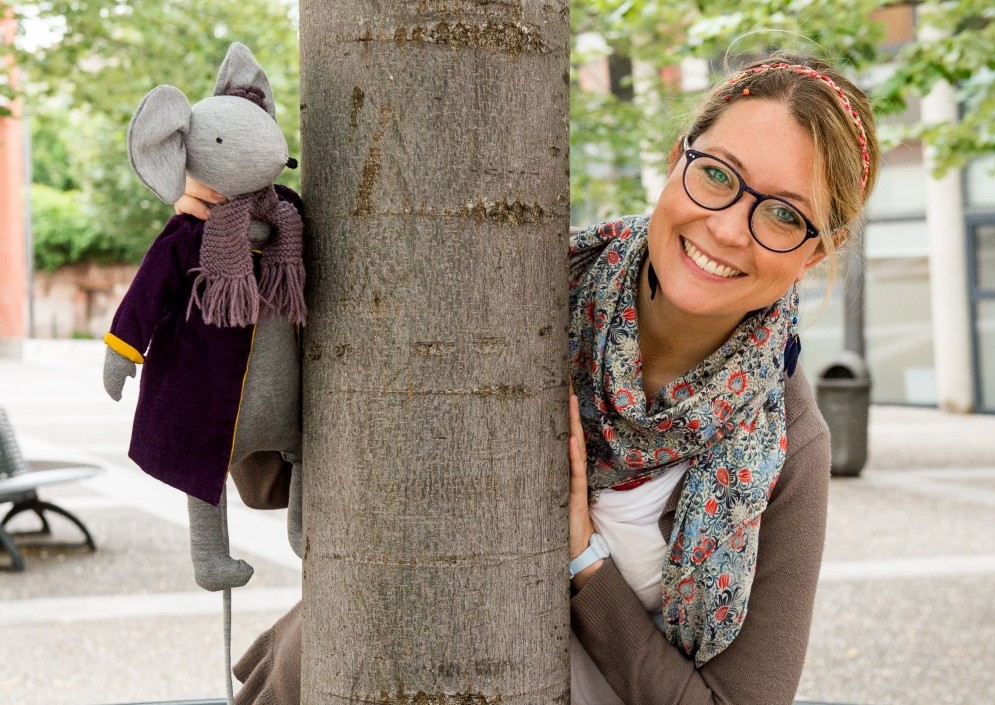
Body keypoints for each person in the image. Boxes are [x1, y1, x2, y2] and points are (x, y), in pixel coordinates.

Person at [176, 51, 880, 705]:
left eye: (784, 214)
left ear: (822, 249)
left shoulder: (787, 442)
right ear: (677, 159)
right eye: (718, 175)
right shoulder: (516, 288)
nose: (728, 228)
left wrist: (584, 560)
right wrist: (232, 264)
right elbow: (270, 478)